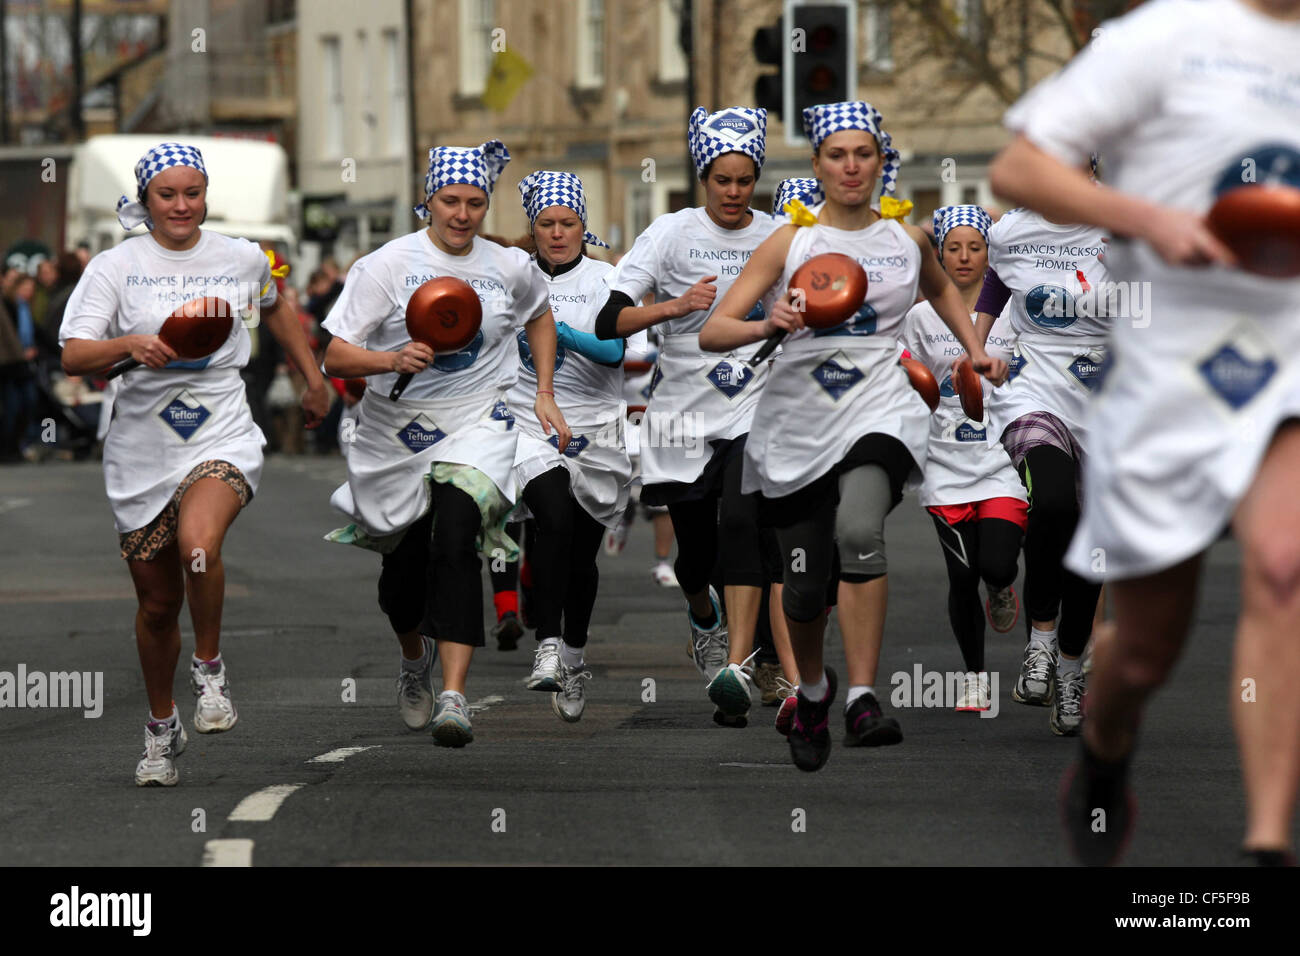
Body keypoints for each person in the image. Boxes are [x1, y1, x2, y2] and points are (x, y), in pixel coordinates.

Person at [988, 0, 1300, 865]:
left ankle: (1268, 842)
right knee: (1149, 647)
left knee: (1283, 565)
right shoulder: (1167, 35)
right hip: (1168, 367)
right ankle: (1105, 742)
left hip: (1286, 353)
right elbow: (1018, 169)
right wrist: (1152, 220)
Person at [700, 101, 1006, 771]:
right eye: (836, 155)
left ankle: (863, 696)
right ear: (816, 165)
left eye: (862, 154)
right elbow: (713, 330)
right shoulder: (791, 243)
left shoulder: (907, 239)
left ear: (879, 162)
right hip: (799, 423)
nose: (850, 166)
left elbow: (942, 291)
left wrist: (972, 349)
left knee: (861, 530)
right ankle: (813, 691)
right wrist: (767, 321)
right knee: (805, 587)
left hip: (881, 408)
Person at [58, 142, 330, 786]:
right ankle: (161, 726)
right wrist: (127, 344)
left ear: (206, 195)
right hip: (141, 444)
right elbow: (74, 355)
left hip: (220, 429)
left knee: (198, 543)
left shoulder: (240, 257)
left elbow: (275, 306)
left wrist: (311, 376)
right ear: (145, 199)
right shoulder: (114, 267)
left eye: (192, 193)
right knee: (156, 607)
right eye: (167, 195)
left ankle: (209, 669)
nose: (182, 206)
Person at [322, 140, 570, 747]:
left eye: (475, 203)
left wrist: (543, 390)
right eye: (450, 201)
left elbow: (539, 314)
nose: (462, 214)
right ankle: (415, 661)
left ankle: (455, 696)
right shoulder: (386, 265)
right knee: (402, 578)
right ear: (427, 201)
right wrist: (389, 356)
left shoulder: (509, 266)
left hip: (475, 423)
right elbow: (333, 355)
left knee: (457, 537)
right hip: (395, 430)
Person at [594, 106, 782, 727]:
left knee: (743, 527)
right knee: (695, 560)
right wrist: (676, 305)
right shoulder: (670, 233)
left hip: (753, 406)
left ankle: (739, 664)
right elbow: (608, 321)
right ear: (704, 178)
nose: (734, 192)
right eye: (722, 180)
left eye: (744, 179)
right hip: (679, 419)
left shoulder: (779, 234)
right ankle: (703, 617)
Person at [973, 160, 1111, 737]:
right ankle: (1043, 637)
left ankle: (1073, 671)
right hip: (1033, 390)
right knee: (1053, 503)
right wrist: (975, 348)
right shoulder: (1010, 230)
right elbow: (996, 284)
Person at [509, 170, 643, 721]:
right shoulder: (512, 277)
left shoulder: (606, 278)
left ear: (584, 226)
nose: (558, 233)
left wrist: (561, 333)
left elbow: (616, 354)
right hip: (529, 422)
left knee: (582, 558)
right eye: (547, 223)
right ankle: (545, 645)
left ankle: (574, 654)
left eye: (568, 223)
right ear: (532, 228)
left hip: (597, 428)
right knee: (554, 519)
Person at [901, 205, 1027, 711]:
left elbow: (1030, 370)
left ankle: (1002, 587)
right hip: (944, 462)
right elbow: (902, 370)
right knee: (960, 576)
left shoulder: (1013, 310)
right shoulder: (918, 316)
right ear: (939, 253)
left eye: (975, 246)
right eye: (953, 247)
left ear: (990, 253)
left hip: (1000, 460)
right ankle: (975, 678)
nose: (964, 256)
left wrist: (996, 373)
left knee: (996, 564)